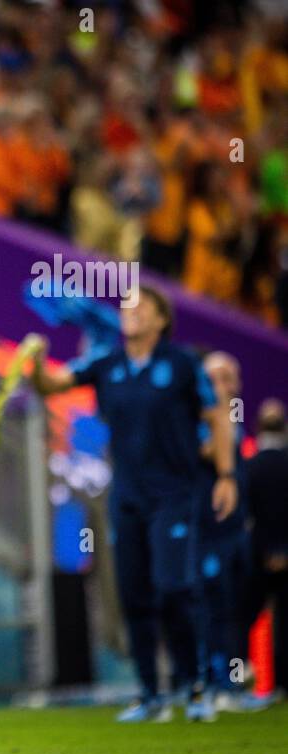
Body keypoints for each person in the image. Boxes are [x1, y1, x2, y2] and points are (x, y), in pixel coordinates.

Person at [30, 286, 238, 723]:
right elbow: (51, 385)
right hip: (126, 496)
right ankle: (150, 695)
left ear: (162, 320)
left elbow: (217, 415)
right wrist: (34, 360)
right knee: (134, 594)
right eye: (126, 306)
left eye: (143, 306)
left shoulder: (182, 365)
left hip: (174, 495)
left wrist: (225, 475)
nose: (131, 312)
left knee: (173, 588)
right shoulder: (106, 362)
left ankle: (195, 685)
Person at [195, 353, 253, 711]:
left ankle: (233, 684)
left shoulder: (236, 420)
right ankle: (212, 685)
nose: (222, 386)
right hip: (207, 529)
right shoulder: (202, 422)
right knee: (211, 609)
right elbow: (206, 454)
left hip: (235, 531)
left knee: (235, 608)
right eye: (214, 378)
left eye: (228, 378)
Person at [244, 399, 288, 705]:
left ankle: (248, 683)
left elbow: (247, 516)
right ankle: (277, 685)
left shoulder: (250, 466)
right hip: (278, 552)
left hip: (258, 555)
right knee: (283, 623)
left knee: (244, 617)